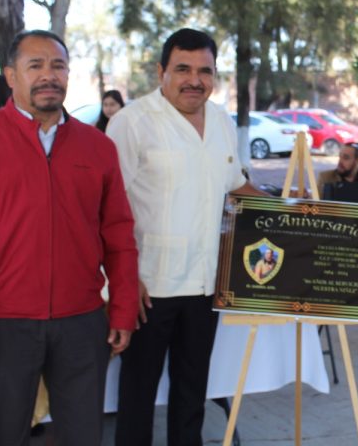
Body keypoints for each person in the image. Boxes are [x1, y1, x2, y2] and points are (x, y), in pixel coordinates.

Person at [0, 30, 139, 446]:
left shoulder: (97, 147)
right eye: (35, 66)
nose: (49, 76)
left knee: (84, 436)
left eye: (58, 66)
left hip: (82, 322)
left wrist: (122, 309)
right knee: (4, 436)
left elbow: (119, 234)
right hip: (0, 325)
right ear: (10, 76)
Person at [107, 28, 265, 446]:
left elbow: (235, 186)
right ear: (161, 72)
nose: (194, 80)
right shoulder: (131, 122)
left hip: (204, 282)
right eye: (182, 69)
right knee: (137, 395)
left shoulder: (222, 122)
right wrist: (122, 280)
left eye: (205, 71)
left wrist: (294, 211)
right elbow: (106, 206)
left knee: (192, 391)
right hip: (147, 287)